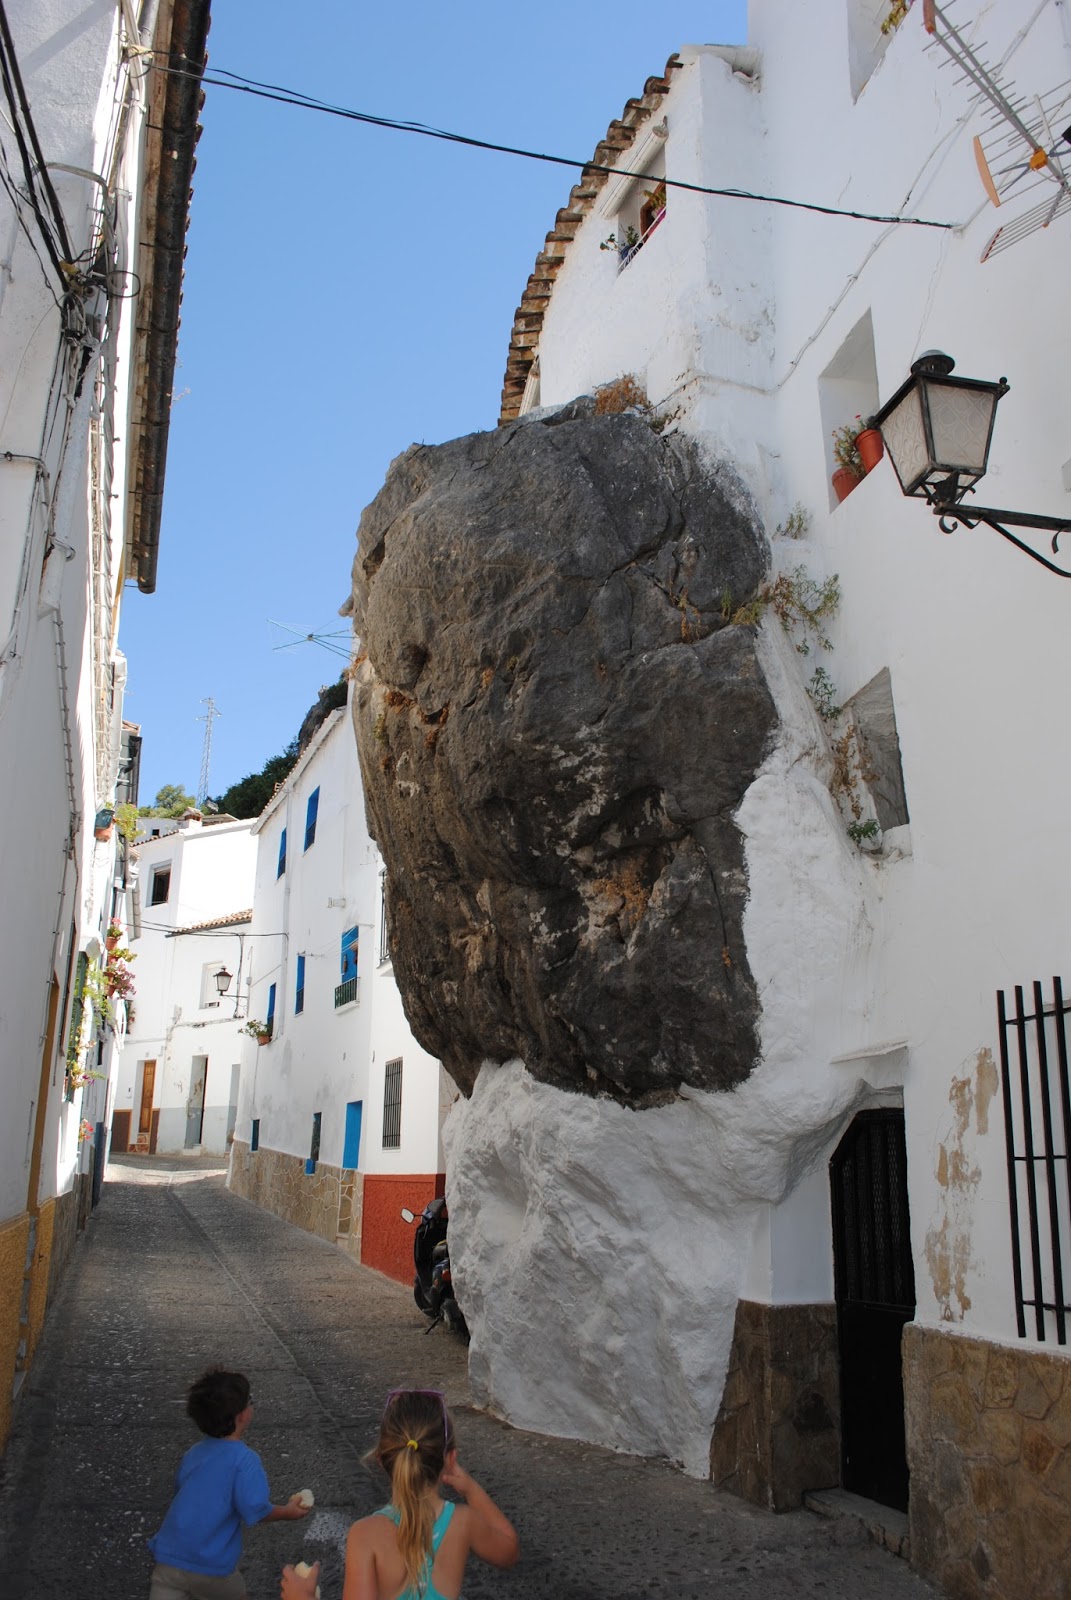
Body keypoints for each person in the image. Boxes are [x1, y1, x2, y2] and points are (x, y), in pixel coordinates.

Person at [280, 1388, 518, 1600]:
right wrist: (471, 1488)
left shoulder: (365, 1535)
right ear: (450, 1459)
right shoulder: (463, 1522)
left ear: (382, 1460)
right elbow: (509, 1550)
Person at [149, 1367, 310, 1600]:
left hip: (168, 1559)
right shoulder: (245, 1460)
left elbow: (182, 1491)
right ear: (243, 1414)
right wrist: (288, 1512)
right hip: (212, 1567)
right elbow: (254, 1508)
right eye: (251, 1400)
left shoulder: (194, 1452)